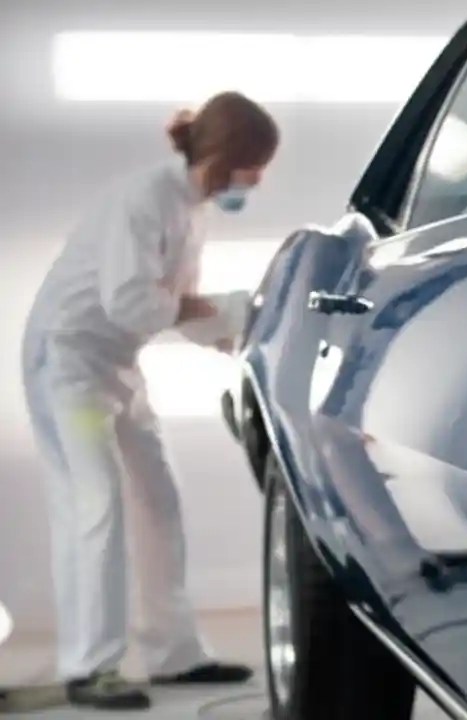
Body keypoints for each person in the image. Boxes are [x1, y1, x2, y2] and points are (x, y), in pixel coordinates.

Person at [19, 91, 279, 711]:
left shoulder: (192, 210)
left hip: (117, 364)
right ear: (226, 158)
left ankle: (175, 655)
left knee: (158, 501)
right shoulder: (144, 198)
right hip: (69, 364)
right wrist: (225, 309)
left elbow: (174, 304)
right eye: (254, 167)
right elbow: (130, 302)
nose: (256, 181)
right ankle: (90, 667)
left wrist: (234, 332)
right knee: (96, 503)